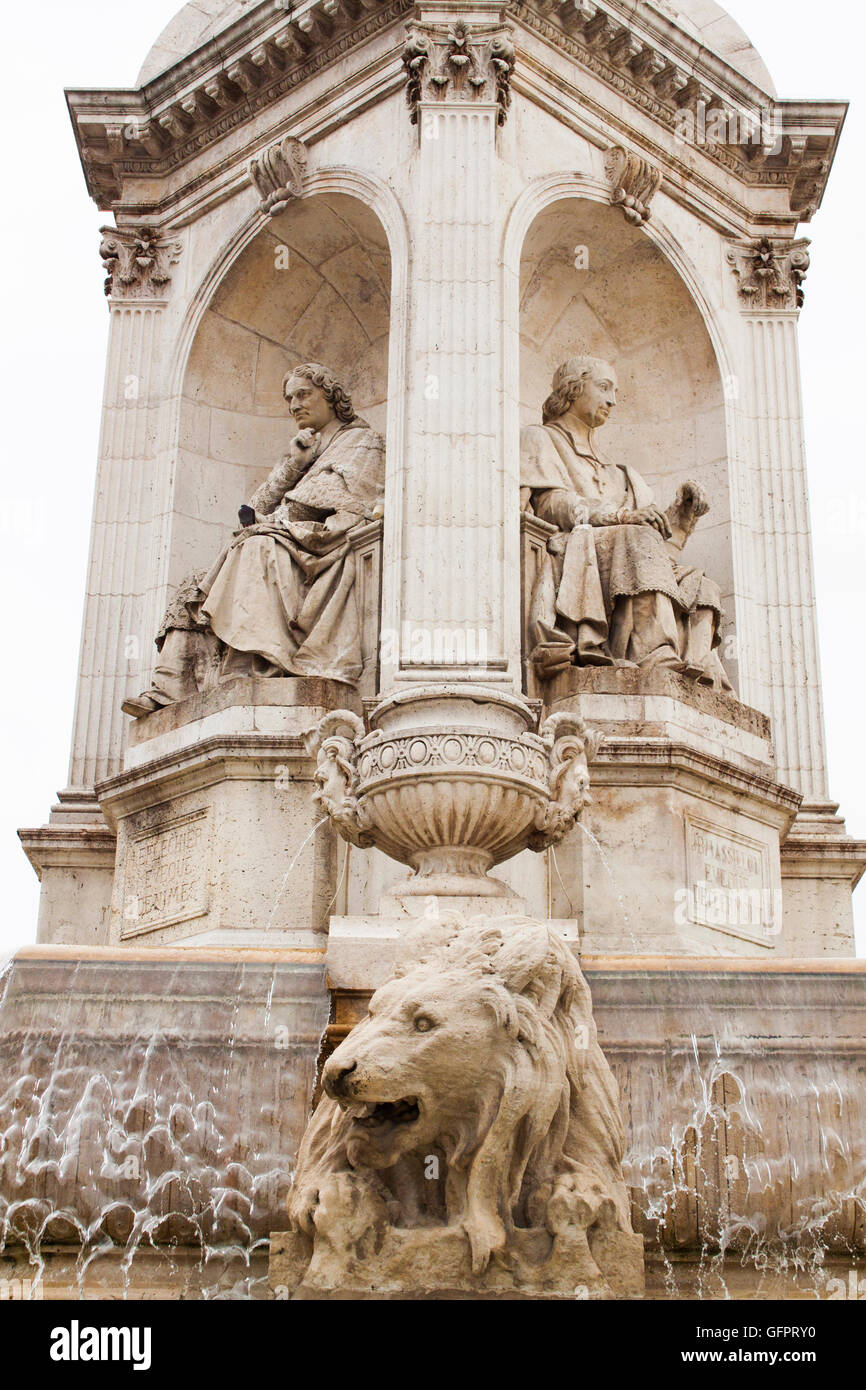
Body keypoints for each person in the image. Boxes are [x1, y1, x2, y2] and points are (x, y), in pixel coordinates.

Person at [122, 362, 385, 716]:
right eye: (289, 398)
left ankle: (250, 664)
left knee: (256, 546)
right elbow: (253, 507)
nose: (295, 405)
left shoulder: (363, 441)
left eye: (303, 394)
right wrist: (293, 465)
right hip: (285, 537)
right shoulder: (301, 450)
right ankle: (169, 687)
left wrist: (274, 521)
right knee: (196, 583)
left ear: (331, 396)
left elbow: (345, 500)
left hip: (323, 542)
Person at [520, 355, 731, 690]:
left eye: (614, 391)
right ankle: (653, 654)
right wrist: (620, 516)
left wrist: (682, 512)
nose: (612, 400)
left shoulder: (621, 474)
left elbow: (659, 549)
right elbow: (550, 505)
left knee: (701, 584)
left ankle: (701, 673)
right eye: (603, 387)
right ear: (573, 389)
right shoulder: (541, 439)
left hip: (623, 553)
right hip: (575, 550)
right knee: (635, 539)